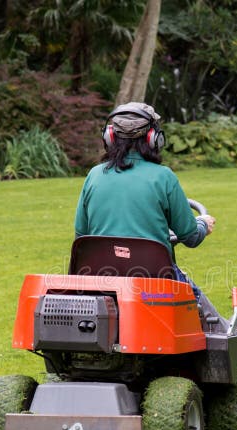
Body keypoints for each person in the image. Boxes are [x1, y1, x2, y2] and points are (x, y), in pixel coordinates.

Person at [74, 101, 216, 298]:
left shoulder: (93, 176)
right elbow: (190, 237)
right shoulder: (164, 177)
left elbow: (81, 236)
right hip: (156, 285)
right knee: (199, 303)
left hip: (102, 283)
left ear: (110, 137)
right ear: (153, 138)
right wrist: (202, 224)